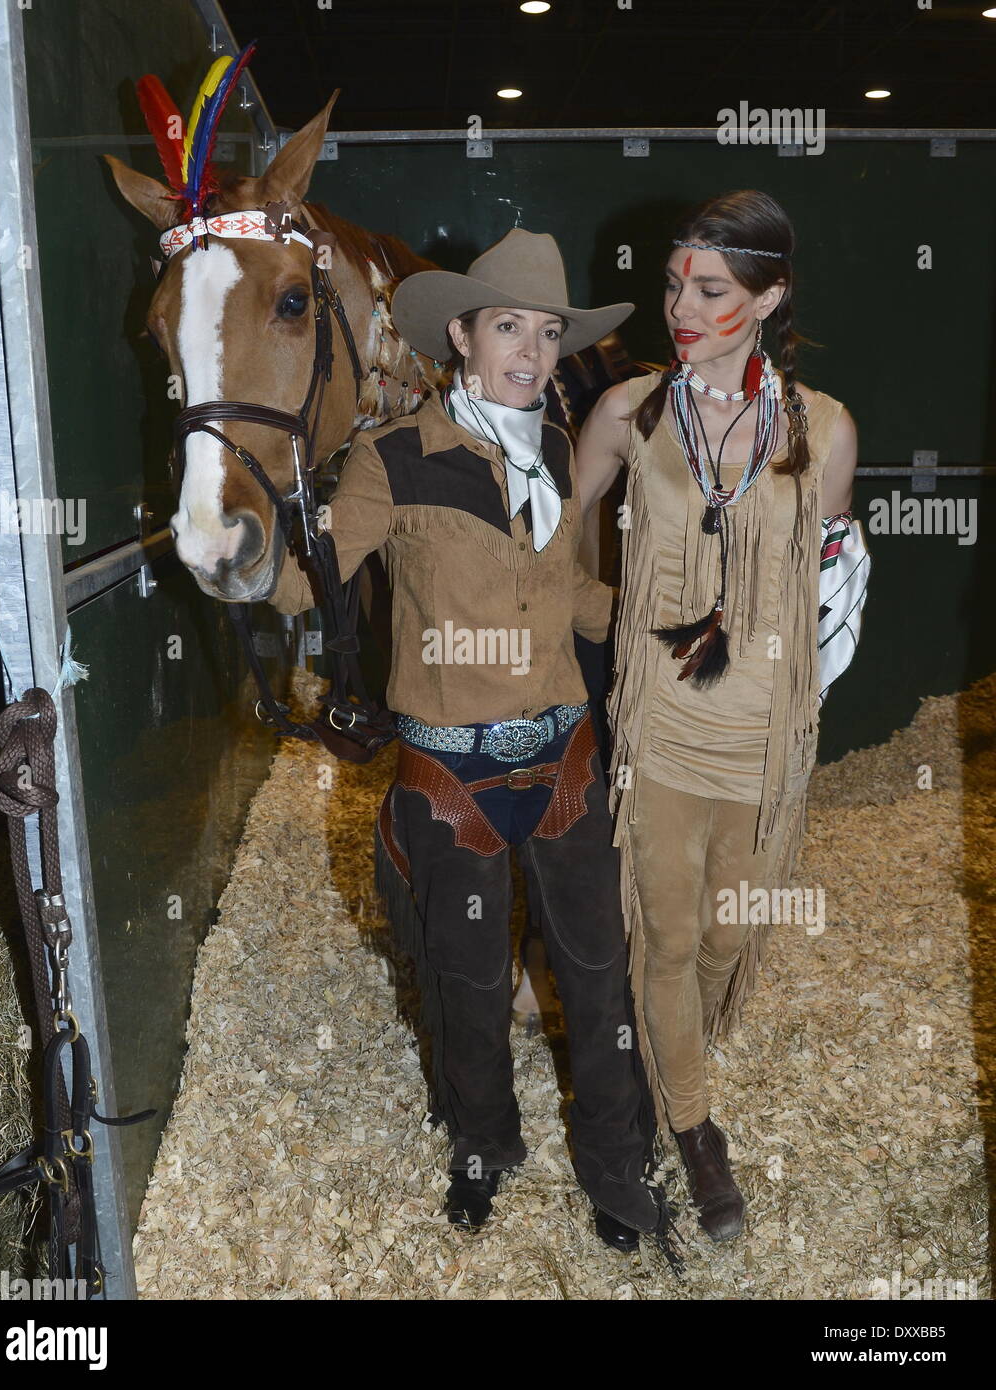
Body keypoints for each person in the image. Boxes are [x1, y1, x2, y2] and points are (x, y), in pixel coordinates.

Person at [270, 228, 675, 1258]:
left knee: (596, 970)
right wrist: (256, 524)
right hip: (450, 773)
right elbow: (294, 585)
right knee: (466, 980)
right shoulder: (391, 459)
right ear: (459, 333)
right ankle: (483, 1144)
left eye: (546, 332)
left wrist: (655, 633)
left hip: (566, 761)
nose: (530, 352)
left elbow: (569, 595)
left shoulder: (552, 443)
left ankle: (616, 1159)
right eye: (508, 327)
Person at [576, 190, 862, 1242]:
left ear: (769, 295)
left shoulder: (822, 428)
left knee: (723, 940)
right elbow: (556, 531)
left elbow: (830, 583)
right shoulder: (629, 411)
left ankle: (670, 1068)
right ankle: (692, 1133)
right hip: (658, 730)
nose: (680, 308)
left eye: (710, 291)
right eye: (671, 286)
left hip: (761, 743)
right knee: (661, 936)